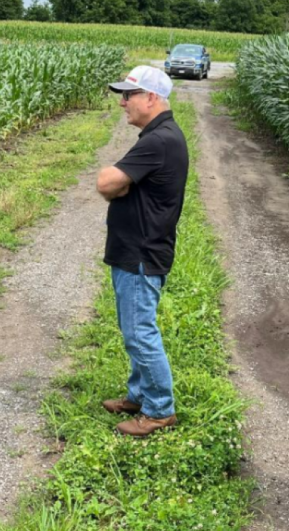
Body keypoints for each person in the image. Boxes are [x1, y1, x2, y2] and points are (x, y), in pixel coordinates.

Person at [96, 65, 188, 437]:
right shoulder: (158, 135)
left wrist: (118, 185)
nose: (123, 102)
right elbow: (118, 186)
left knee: (139, 332)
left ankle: (160, 410)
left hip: (140, 253)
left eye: (129, 95)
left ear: (152, 98)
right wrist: (121, 186)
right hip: (135, 250)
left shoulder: (159, 140)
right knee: (132, 327)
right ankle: (138, 394)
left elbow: (106, 183)